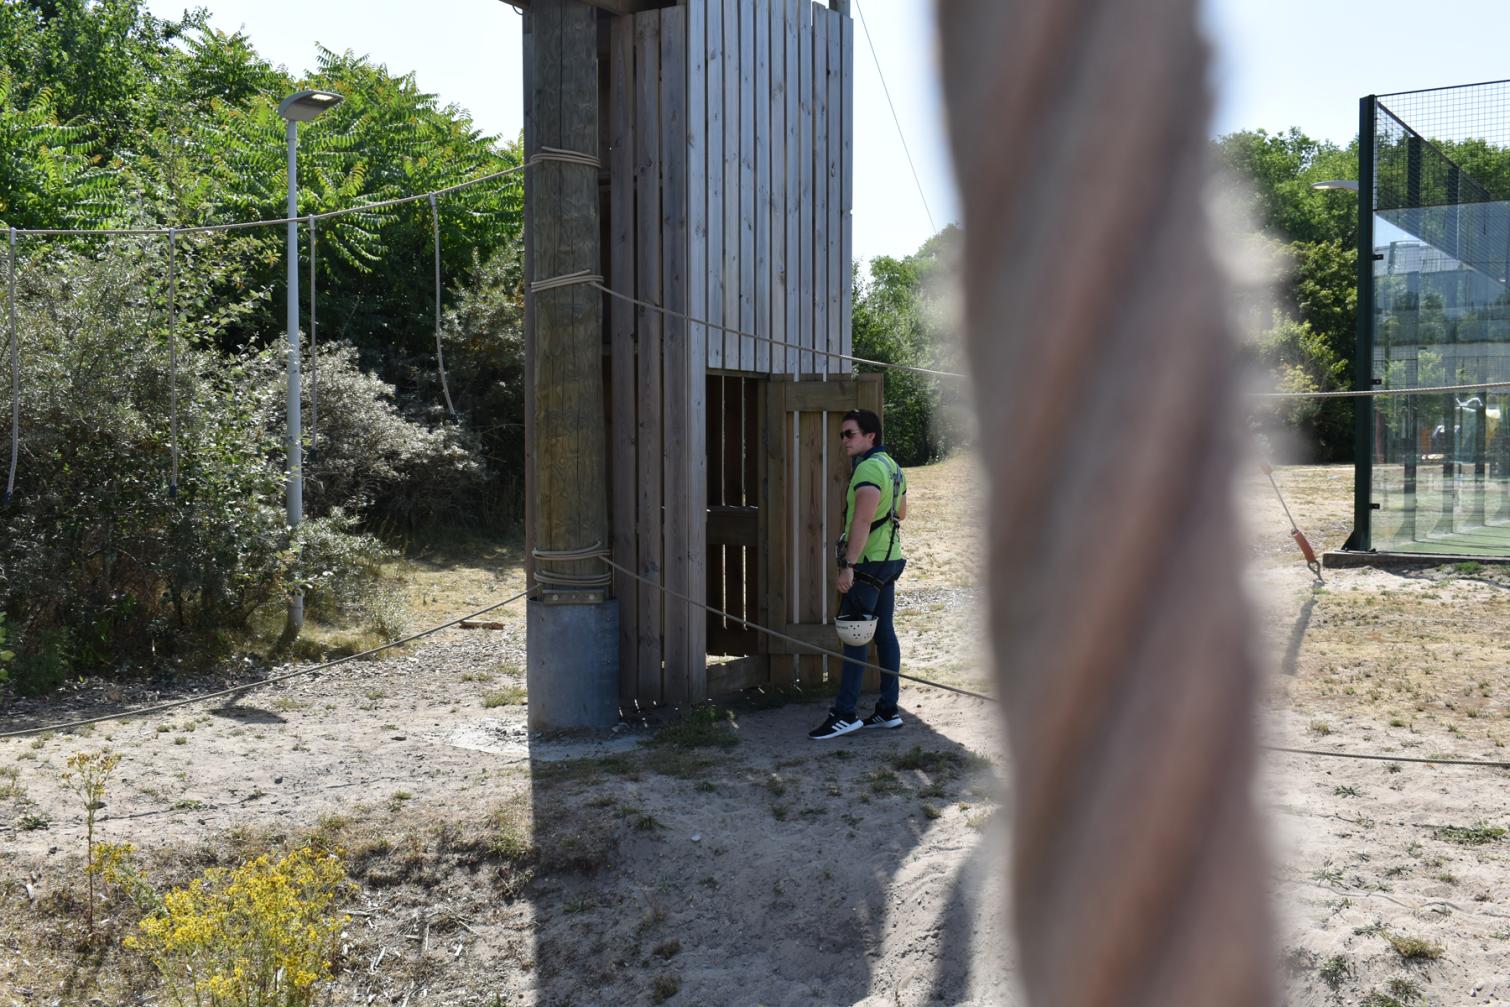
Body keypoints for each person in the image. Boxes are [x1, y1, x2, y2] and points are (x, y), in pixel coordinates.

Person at [808, 409, 908, 740]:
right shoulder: (893, 467)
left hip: (867, 563)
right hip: (890, 558)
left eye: (850, 434)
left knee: (855, 633)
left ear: (870, 436)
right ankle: (888, 709)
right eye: (842, 435)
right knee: (884, 633)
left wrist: (848, 565)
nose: (844, 440)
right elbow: (902, 513)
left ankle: (845, 713)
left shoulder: (868, 469)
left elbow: (862, 521)